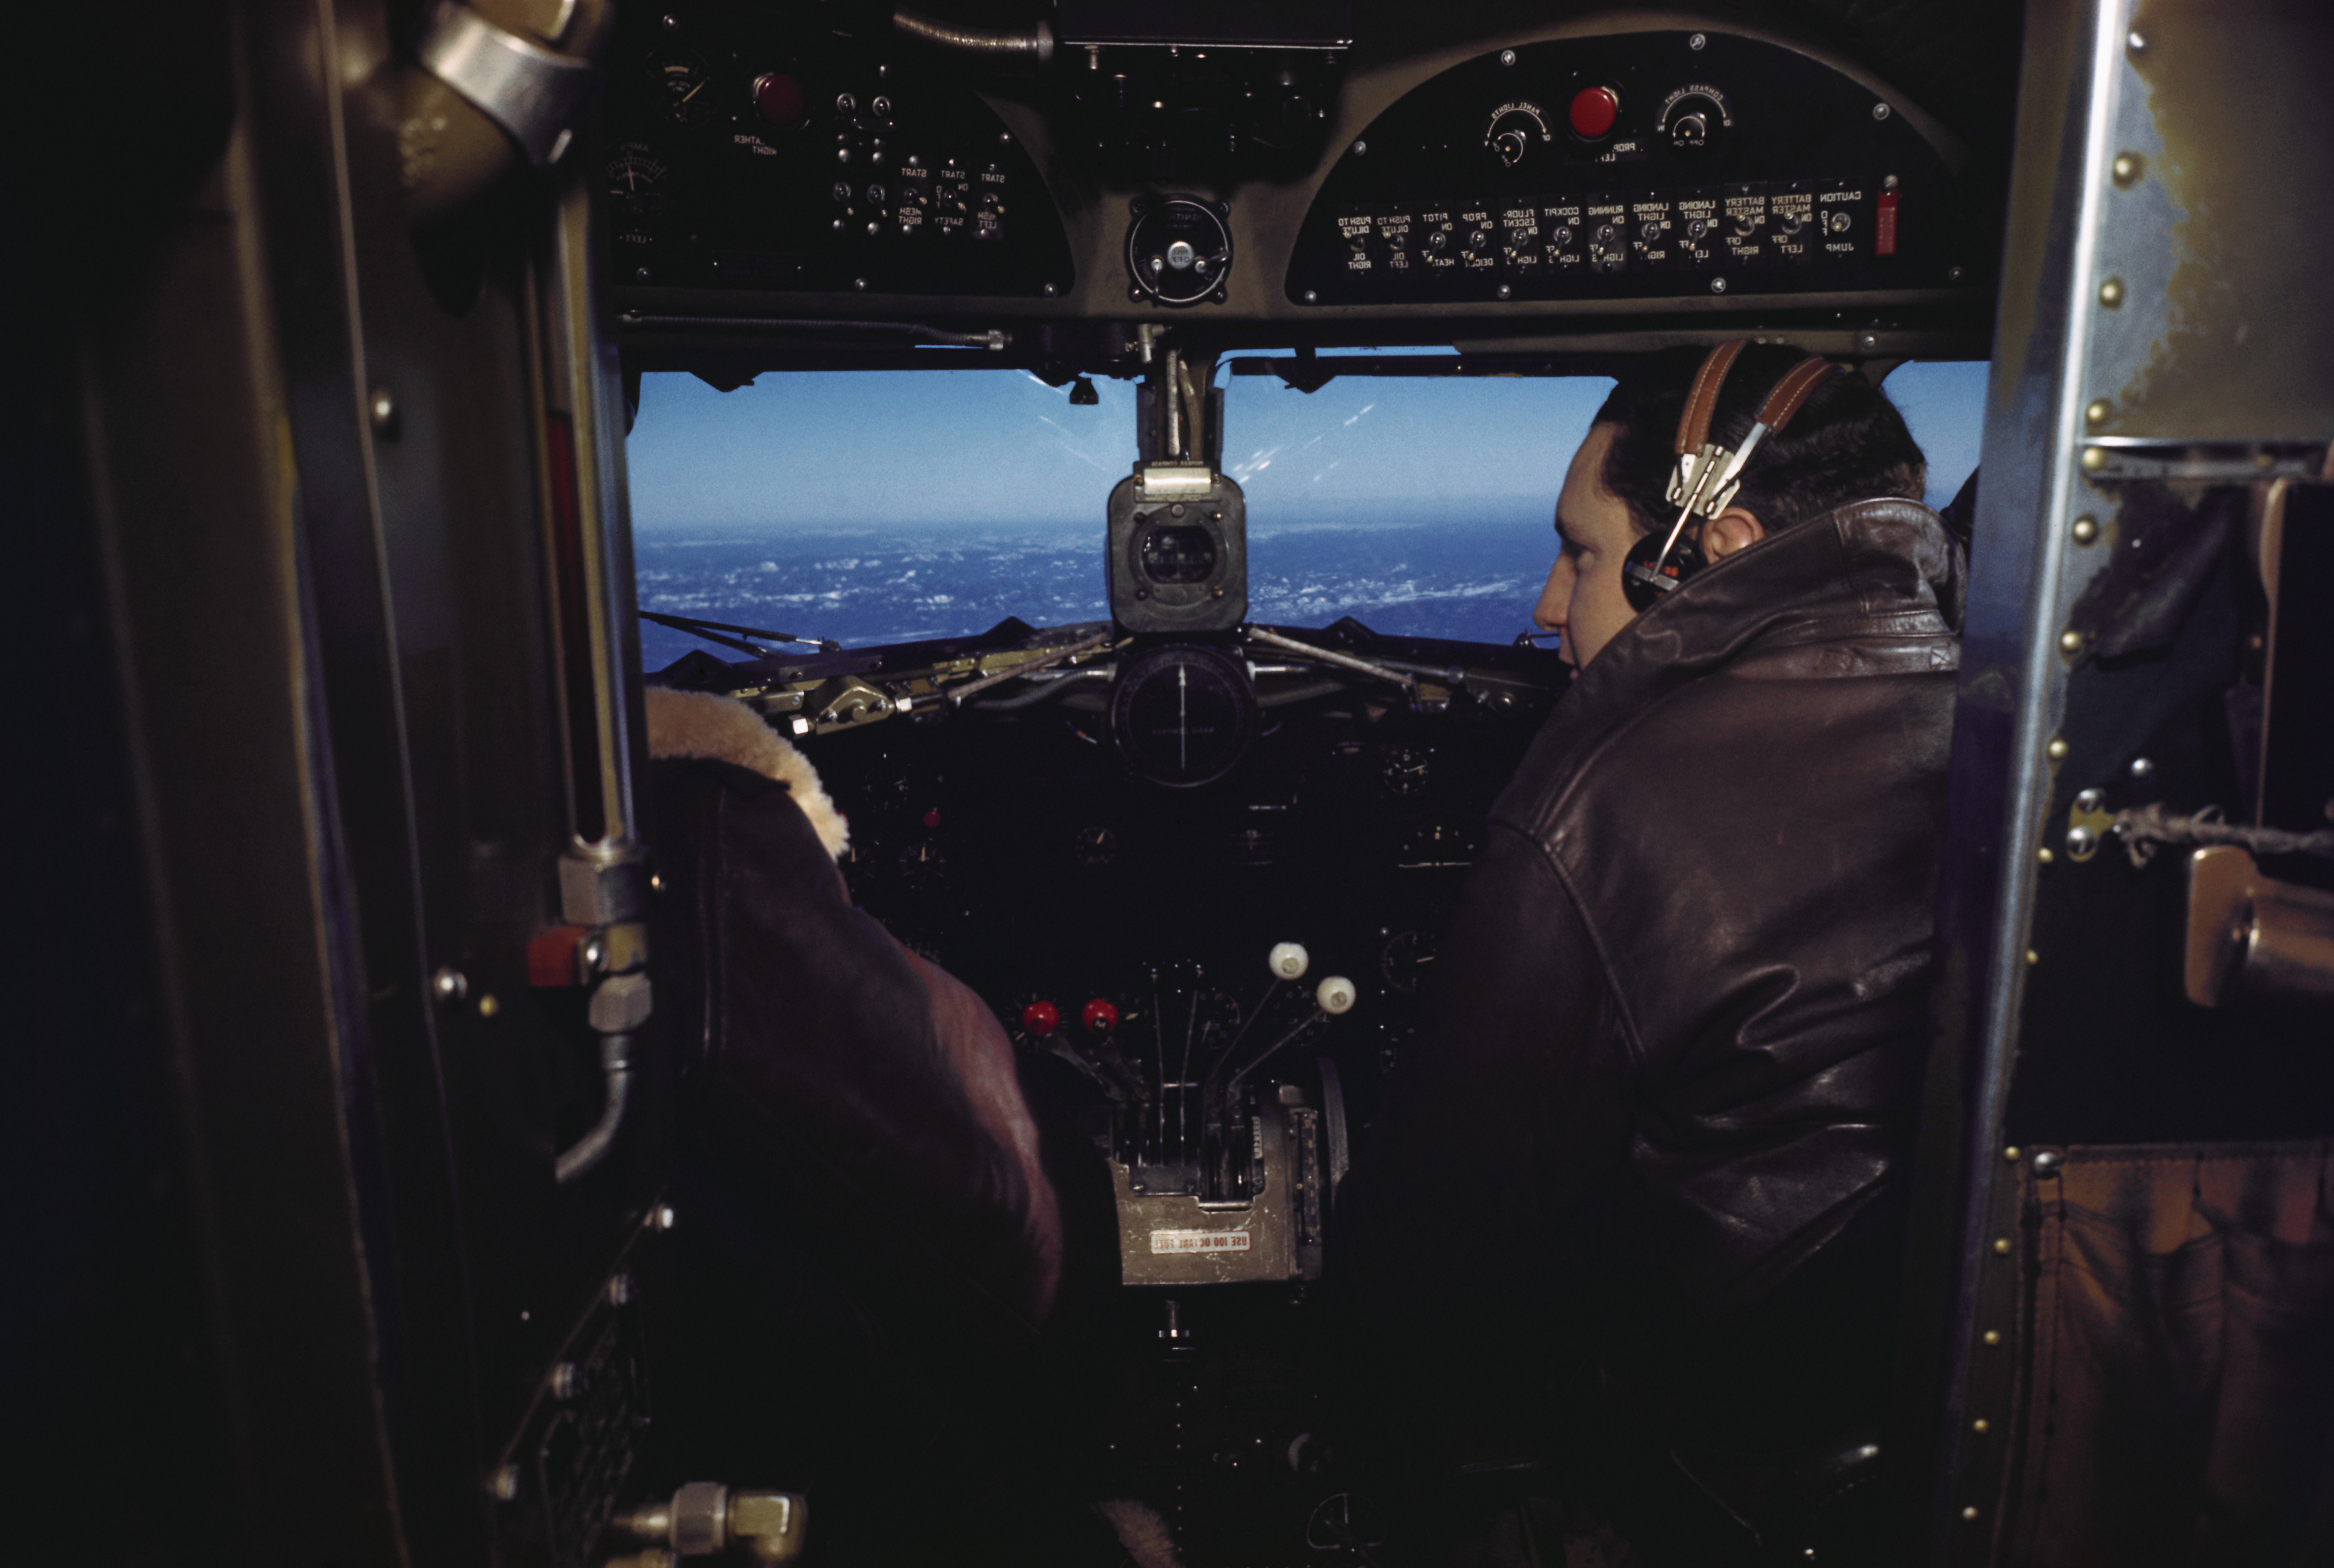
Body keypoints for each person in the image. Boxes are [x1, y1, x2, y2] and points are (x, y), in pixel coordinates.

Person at [1337, 342, 1965, 1546]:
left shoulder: (1603, 803)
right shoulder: (2017, 713)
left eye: (1581, 554)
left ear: (1705, 555)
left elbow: (1431, 1264)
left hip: (1690, 1472)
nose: (1547, 606)